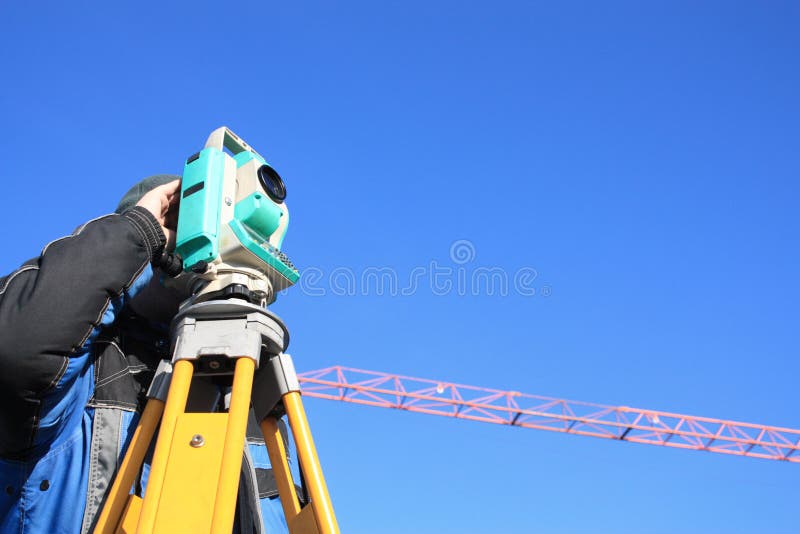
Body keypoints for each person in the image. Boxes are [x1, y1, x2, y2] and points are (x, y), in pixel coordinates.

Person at [0, 175, 299, 533]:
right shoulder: (87, 370)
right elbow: (18, 352)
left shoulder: (248, 398)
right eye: (177, 224)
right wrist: (140, 231)